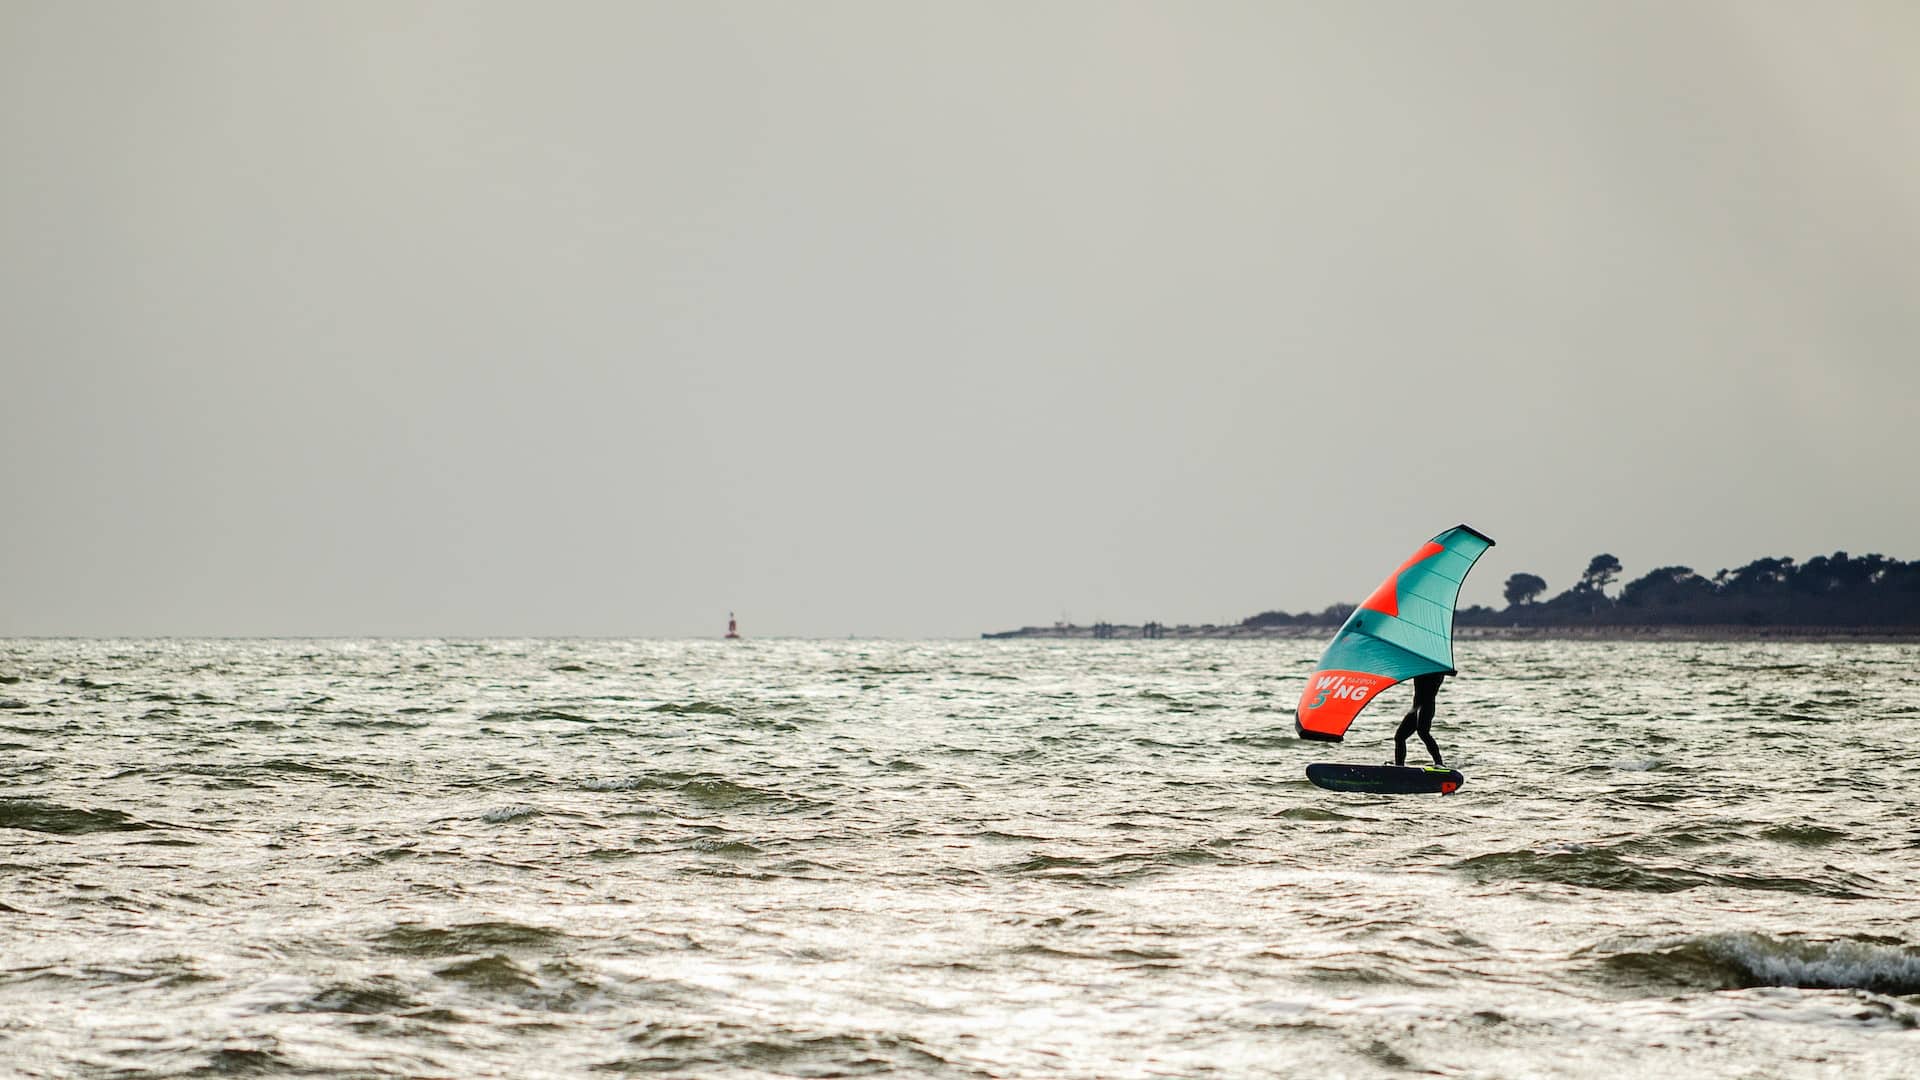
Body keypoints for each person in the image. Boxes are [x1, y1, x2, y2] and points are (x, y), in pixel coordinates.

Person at [1393, 672, 1446, 768]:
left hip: (1426, 707)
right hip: (1416, 707)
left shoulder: (1435, 671)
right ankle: (1399, 767)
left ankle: (1439, 763)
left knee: (1423, 732)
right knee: (1399, 737)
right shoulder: (1422, 669)